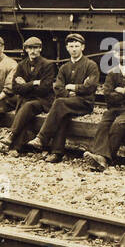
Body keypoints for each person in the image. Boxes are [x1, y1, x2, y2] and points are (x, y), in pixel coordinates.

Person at [27, 33, 99, 162]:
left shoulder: (91, 65)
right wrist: (70, 92)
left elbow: (90, 87)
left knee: (59, 103)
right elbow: (58, 88)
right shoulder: (64, 67)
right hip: (68, 102)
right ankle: (56, 153)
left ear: (83, 47)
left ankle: (42, 138)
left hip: (84, 103)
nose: (74, 49)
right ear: (67, 48)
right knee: (62, 114)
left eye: (77, 46)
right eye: (71, 46)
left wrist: (73, 87)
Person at [83, 40, 125, 170]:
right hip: (115, 108)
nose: (122, 56)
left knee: (117, 124)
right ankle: (97, 155)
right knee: (103, 123)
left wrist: (124, 90)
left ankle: (106, 159)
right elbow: (107, 93)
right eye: (119, 54)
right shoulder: (112, 72)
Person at [4, 36, 55, 155]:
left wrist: (25, 85)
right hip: (27, 99)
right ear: (26, 49)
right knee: (23, 104)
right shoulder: (21, 65)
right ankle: (17, 148)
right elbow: (15, 88)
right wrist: (33, 83)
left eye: (35, 48)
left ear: (40, 49)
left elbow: (44, 89)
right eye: (29, 48)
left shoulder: (48, 65)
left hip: (43, 100)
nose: (32, 51)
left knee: (26, 105)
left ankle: (12, 136)